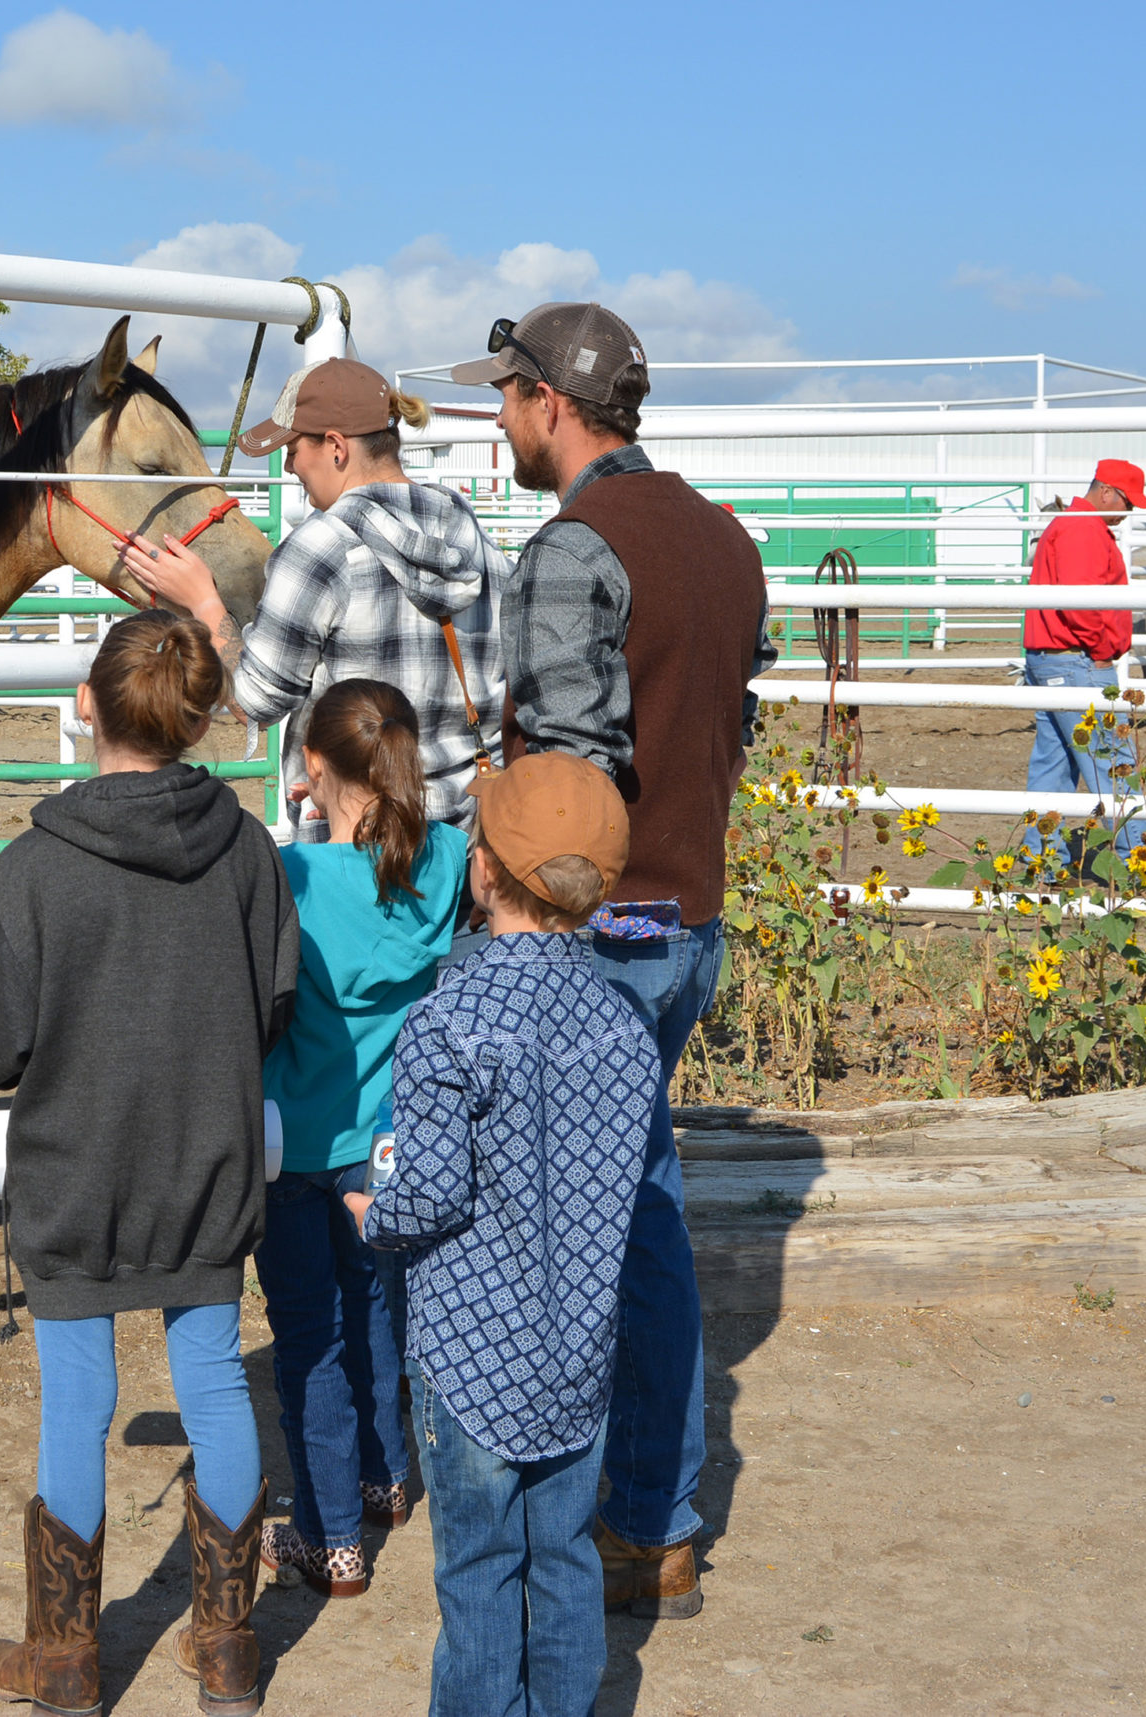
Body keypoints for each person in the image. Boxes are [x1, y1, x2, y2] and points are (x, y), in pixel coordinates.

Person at [451, 301, 772, 1620]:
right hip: (685, 914)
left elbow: (574, 784)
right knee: (638, 1213)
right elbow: (728, 724)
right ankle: (657, 1518)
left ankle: (616, 1518)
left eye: (507, 396)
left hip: (604, 931)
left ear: (551, 404)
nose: (497, 420)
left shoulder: (575, 550)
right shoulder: (721, 535)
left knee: (586, 1236)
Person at [0, 609, 298, 1717]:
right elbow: (275, 1003)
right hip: (208, 1154)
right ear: (197, 721)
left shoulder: (32, 868)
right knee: (212, 1379)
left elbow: (1, 1043)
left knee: (78, 1403)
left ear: (86, 705)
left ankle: (63, 1660)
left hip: (76, 1166)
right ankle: (228, 1648)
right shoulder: (247, 848)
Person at [347, 750, 658, 1717]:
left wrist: (373, 1213)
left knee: (478, 1572)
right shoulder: (625, 1023)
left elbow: (431, 1191)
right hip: (576, 1356)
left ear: (482, 870)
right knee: (564, 1559)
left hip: (471, 1353)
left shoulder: (447, 1023)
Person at [253, 679, 465, 1601]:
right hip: (390, 1135)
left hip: (297, 1137)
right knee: (377, 1304)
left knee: (309, 1335)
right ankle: (386, 1478)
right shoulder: (450, 859)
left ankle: (329, 1534)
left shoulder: (292, 878)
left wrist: (306, 829)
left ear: (312, 768)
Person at [125, 356, 508, 828]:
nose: (288, 465)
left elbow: (252, 702)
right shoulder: (475, 539)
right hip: (469, 834)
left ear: (335, 447)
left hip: (361, 835)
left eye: (292, 448)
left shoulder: (320, 549)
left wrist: (203, 601)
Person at [1021, 458, 1146, 866]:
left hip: (1053, 661)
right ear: (1107, 492)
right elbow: (1082, 604)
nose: (1129, 512)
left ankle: (1041, 858)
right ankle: (1140, 860)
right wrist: (1102, 651)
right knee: (1113, 760)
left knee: (1055, 763)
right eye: (1128, 502)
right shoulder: (1084, 529)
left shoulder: (1073, 525)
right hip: (1076, 662)